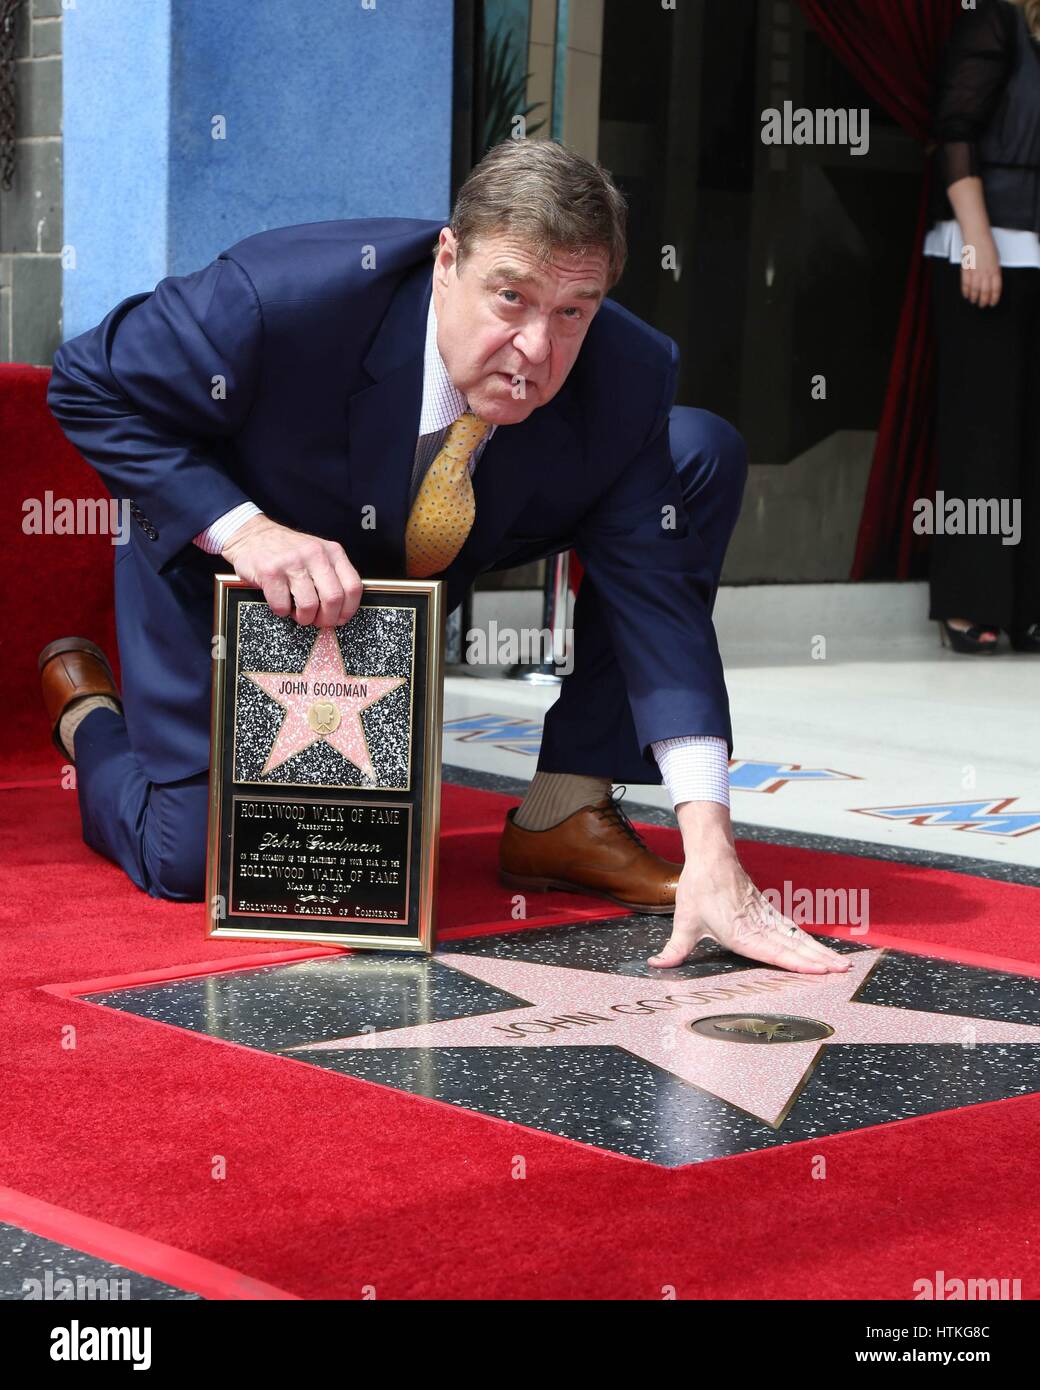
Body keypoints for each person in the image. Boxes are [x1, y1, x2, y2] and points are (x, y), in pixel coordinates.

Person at [42, 138, 848, 976]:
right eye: (511, 297)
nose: (537, 348)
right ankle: (90, 718)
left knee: (696, 451)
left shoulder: (627, 371)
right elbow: (84, 382)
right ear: (447, 259)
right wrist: (244, 529)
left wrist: (711, 843)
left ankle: (564, 809)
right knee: (196, 861)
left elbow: (660, 604)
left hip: (424, 559)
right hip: (229, 566)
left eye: (574, 310)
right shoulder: (276, 298)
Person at [924, 0, 1040, 654]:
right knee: (985, 438)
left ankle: (1026, 605)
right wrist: (978, 241)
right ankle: (972, 603)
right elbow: (955, 129)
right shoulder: (995, 21)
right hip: (985, 249)